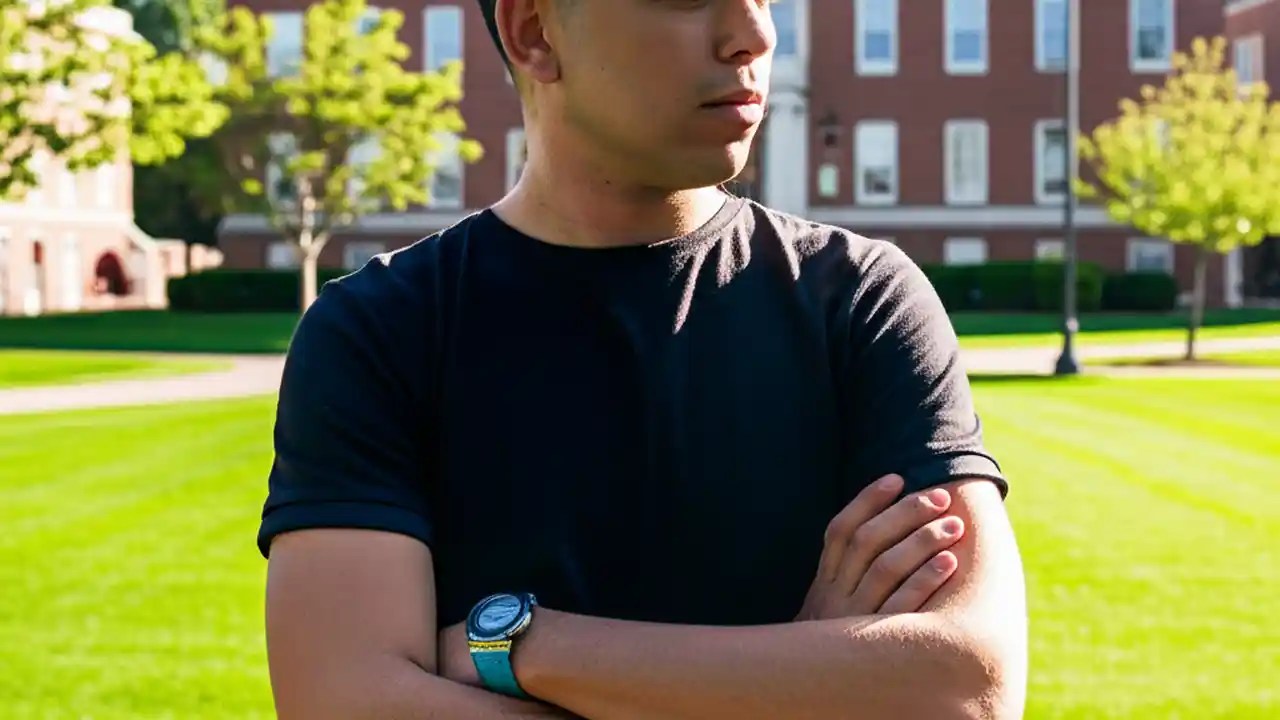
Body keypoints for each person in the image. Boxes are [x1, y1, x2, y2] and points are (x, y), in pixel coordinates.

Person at [257, 1, 1028, 717]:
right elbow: (343, 700)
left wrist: (520, 646)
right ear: (534, 32)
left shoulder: (860, 300)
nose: (755, 34)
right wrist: (802, 678)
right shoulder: (380, 330)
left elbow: (970, 686)